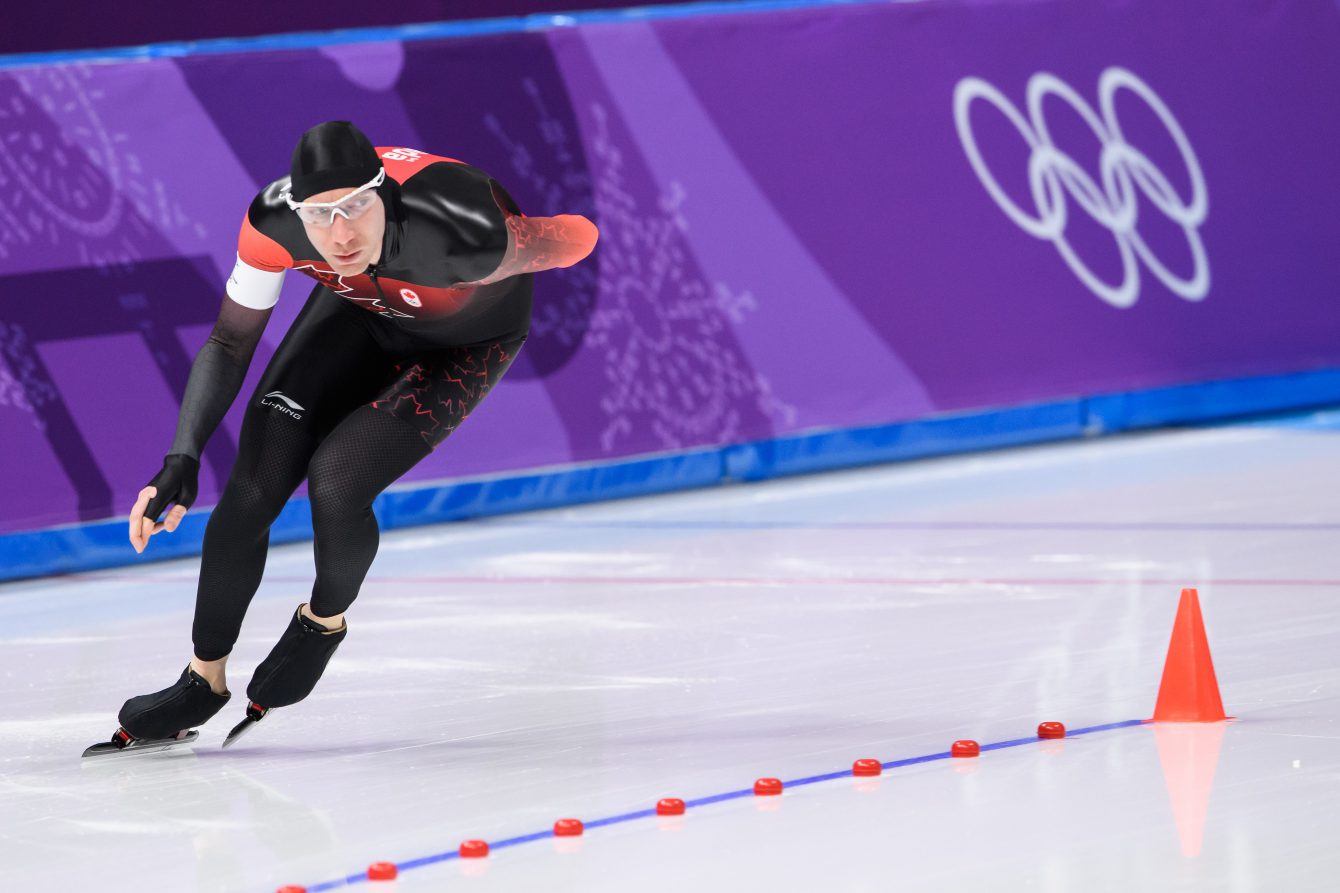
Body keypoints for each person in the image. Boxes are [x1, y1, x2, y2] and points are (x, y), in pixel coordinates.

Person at [100, 121, 598, 751]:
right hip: (360, 313)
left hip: (464, 344)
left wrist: (515, 240)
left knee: (335, 480)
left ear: (384, 194)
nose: (339, 233)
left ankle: (321, 623)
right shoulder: (272, 223)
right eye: (320, 214)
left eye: (356, 207)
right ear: (295, 208)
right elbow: (229, 342)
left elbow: (579, 238)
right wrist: (182, 454)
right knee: (249, 492)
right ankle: (204, 679)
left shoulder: (459, 232)